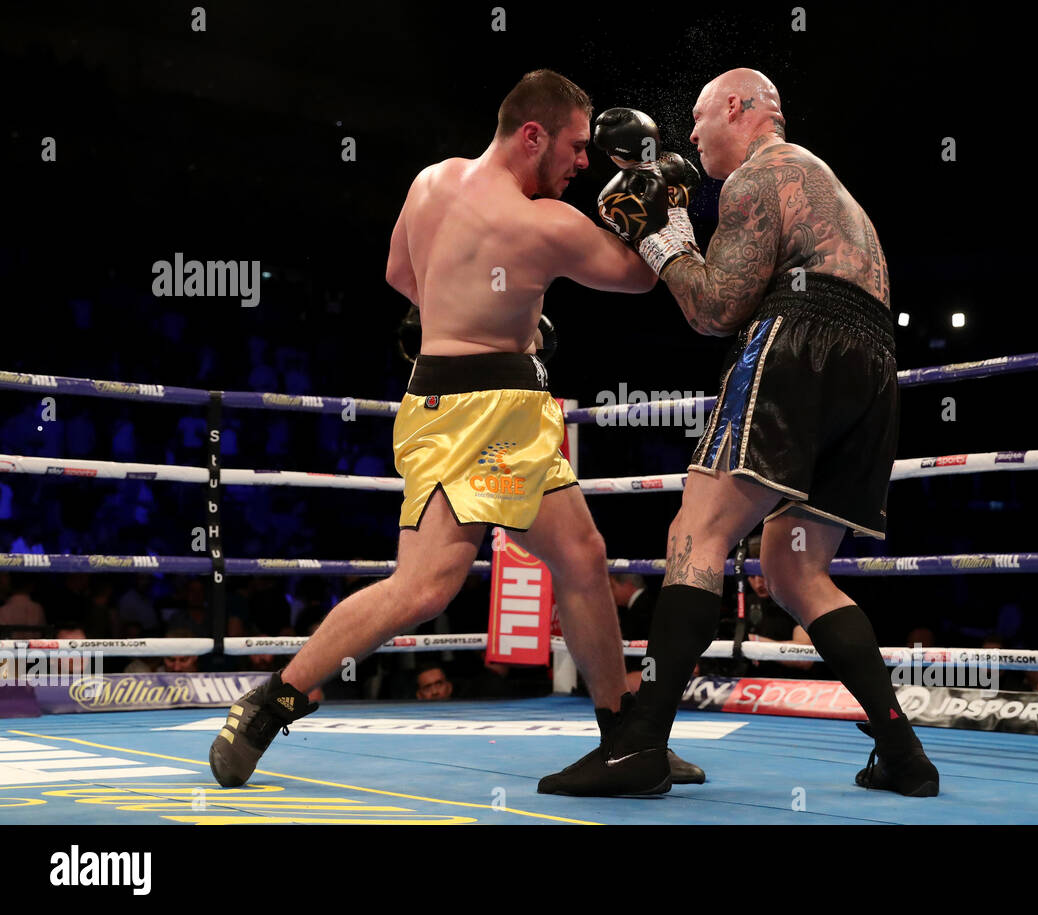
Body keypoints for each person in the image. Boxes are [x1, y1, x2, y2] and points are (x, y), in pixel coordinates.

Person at [209, 70, 702, 790]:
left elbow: (401, 273)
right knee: (426, 584)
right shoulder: (544, 224)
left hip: (449, 397)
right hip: (487, 410)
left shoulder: (430, 182)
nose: (583, 161)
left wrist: (478, 316)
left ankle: (625, 736)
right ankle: (269, 701)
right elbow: (637, 278)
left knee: (582, 556)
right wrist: (667, 196)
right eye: (572, 145)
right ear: (532, 134)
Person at [541, 69, 938, 797]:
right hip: (875, 363)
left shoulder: (762, 175)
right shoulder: (825, 183)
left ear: (737, 108)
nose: (689, 135)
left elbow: (714, 309)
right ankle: (904, 752)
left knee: (697, 530)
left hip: (801, 340)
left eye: (698, 117)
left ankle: (641, 744)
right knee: (795, 570)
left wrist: (660, 241)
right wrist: (680, 231)